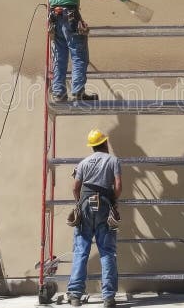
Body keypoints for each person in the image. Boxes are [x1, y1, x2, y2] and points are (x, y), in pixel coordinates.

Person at [48, 0, 129, 102]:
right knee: (79, 55)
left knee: (60, 55)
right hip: (70, 16)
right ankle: (78, 92)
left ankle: (58, 93)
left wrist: (50, 20)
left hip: (54, 17)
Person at [67, 128, 122, 307]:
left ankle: (75, 295)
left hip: (85, 207)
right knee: (107, 251)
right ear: (105, 143)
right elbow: (118, 186)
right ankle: (108, 297)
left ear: (92, 147)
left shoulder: (83, 163)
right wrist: (113, 202)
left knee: (81, 251)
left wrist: (79, 205)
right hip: (104, 205)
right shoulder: (113, 160)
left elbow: (75, 188)